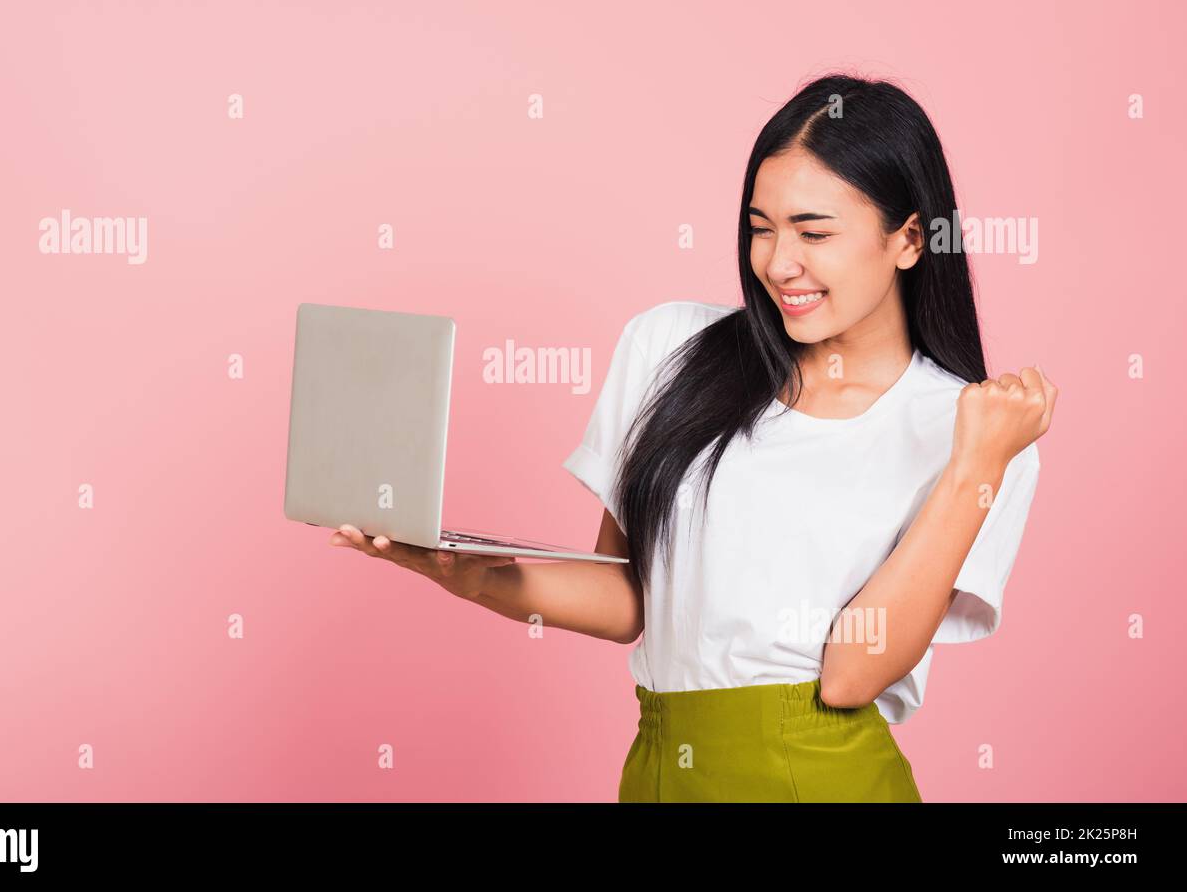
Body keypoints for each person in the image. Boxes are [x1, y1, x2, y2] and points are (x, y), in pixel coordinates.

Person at [328, 73, 1058, 802]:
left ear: (906, 240)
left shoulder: (972, 431)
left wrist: (975, 466)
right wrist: (471, 573)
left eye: (814, 231)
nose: (778, 262)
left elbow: (851, 672)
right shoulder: (670, 345)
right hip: (658, 767)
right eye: (760, 226)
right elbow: (628, 597)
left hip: (824, 777)